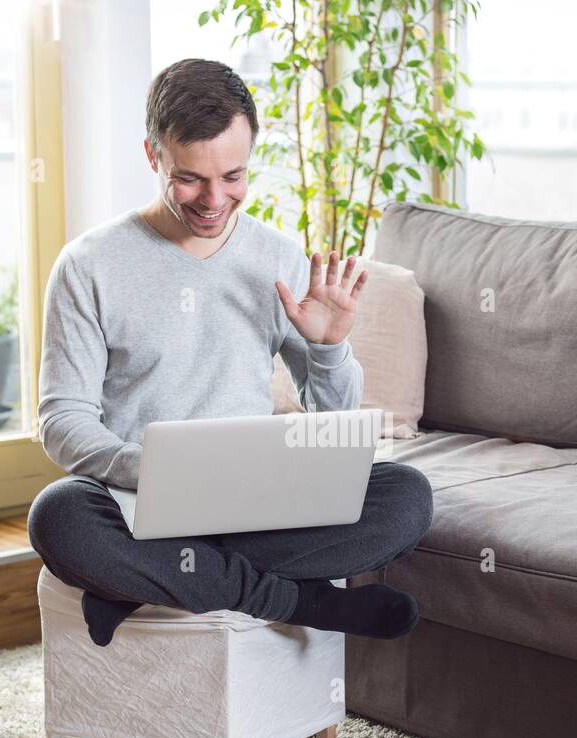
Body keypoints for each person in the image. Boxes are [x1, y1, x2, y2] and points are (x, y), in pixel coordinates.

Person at [26, 59, 434, 648]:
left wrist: (329, 348)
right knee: (59, 517)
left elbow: (335, 428)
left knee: (405, 498)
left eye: (234, 176)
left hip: (257, 503)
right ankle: (305, 601)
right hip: (133, 501)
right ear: (153, 155)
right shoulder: (88, 265)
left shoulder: (277, 259)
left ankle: (138, 582)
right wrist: (146, 470)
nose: (215, 200)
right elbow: (62, 420)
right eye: (190, 178)